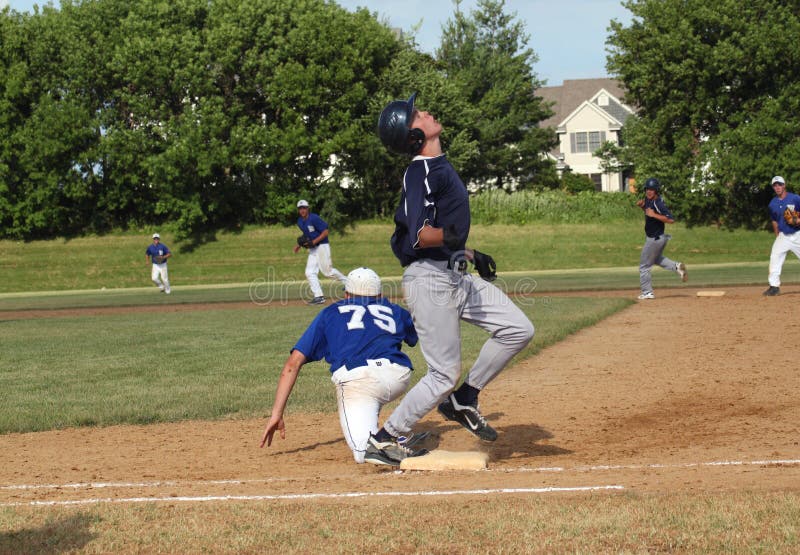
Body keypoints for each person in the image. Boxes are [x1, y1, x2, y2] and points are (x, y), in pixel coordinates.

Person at [366, 92, 535, 463]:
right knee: (443, 374)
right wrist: (453, 237)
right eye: (416, 115)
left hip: (454, 275)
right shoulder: (420, 172)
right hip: (431, 283)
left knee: (517, 329)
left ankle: (464, 399)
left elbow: (441, 236)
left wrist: (469, 252)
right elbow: (419, 236)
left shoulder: (439, 167)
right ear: (414, 137)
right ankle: (385, 438)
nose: (424, 112)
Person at [260, 267, 427, 466]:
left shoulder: (330, 313)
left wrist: (277, 414)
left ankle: (390, 443)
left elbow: (292, 364)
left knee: (365, 453)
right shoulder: (394, 310)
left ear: (347, 295)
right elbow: (420, 334)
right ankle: (394, 435)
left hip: (360, 381)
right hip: (398, 376)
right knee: (373, 405)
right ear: (379, 295)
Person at [635, 178, 687, 300]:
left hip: (654, 239)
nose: (649, 191)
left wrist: (654, 215)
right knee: (656, 259)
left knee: (644, 266)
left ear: (656, 191)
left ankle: (647, 292)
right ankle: (677, 267)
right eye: (647, 189)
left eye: (652, 189)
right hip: (658, 239)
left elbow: (671, 219)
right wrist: (643, 207)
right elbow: (648, 212)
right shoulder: (648, 200)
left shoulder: (658, 203)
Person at [293, 199, 347, 305]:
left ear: (308, 208)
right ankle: (319, 297)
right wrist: (299, 245)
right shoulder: (300, 221)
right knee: (309, 272)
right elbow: (306, 234)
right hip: (313, 248)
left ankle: (349, 283)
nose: (302, 210)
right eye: (300, 208)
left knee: (328, 272)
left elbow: (325, 232)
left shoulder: (314, 218)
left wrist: (314, 241)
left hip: (322, 246)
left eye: (304, 208)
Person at [764, 175, 800, 296]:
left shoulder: (795, 198)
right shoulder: (772, 203)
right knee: (775, 257)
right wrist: (777, 235)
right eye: (775, 185)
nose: (777, 187)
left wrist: (798, 220)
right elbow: (774, 220)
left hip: (798, 234)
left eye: (779, 184)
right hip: (783, 235)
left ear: (784, 185)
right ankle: (774, 287)